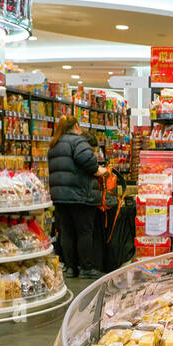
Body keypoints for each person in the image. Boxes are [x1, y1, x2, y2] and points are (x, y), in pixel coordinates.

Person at [47, 115, 102, 279]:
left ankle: (70, 267)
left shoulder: (54, 144)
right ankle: (86, 267)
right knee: (84, 232)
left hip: (60, 197)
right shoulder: (78, 141)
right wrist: (98, 170)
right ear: (76, 126)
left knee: (67, 232)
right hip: (80, 195)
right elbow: (87, 159)